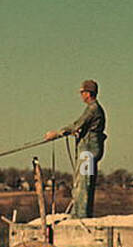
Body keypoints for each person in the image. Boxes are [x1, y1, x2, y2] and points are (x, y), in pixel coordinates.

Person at [45, 80, 106, 219]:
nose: (81, 95)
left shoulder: (93, 109)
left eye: (82, 92)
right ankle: (81, 213)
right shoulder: (94, 108)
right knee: (84, 181)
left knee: (83, 183)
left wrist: (57, 133)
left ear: (88, 93)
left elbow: (77, 124)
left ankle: (81, 214)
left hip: (88, 151)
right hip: (90, 150)